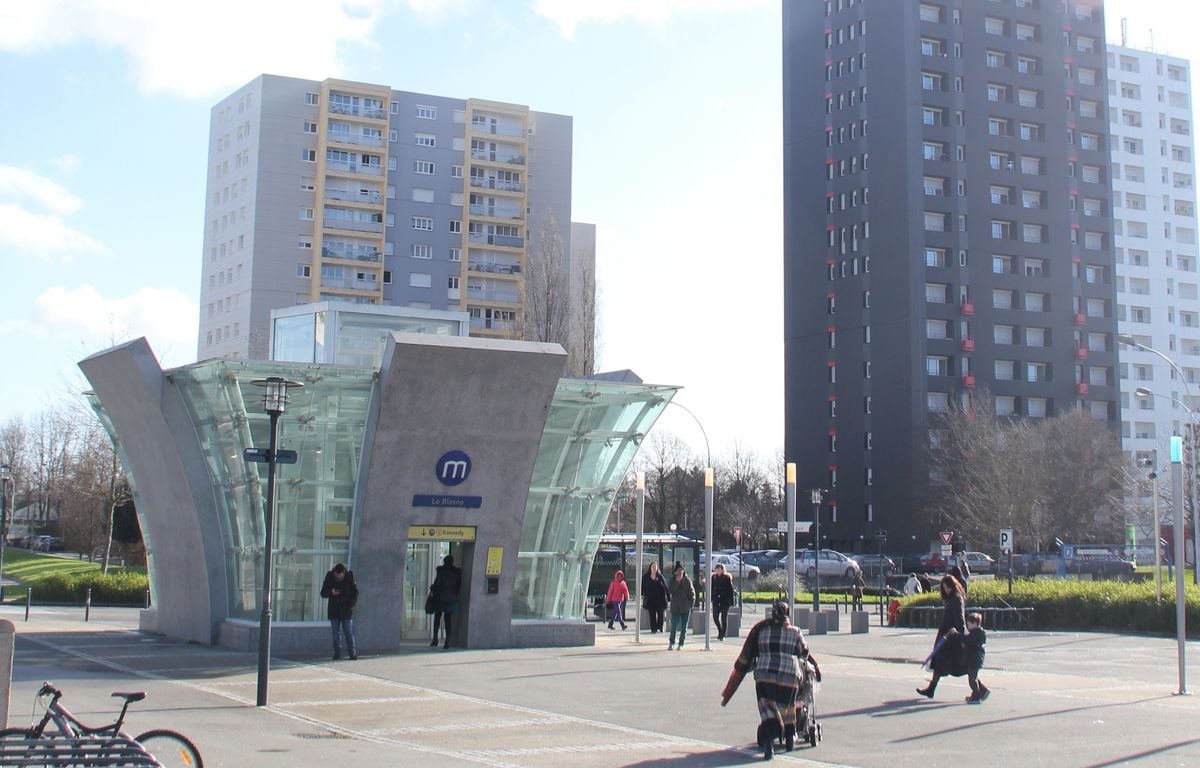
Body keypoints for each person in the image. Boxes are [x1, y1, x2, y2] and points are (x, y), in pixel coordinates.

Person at [720, 599, 818, 759]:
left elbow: (750, 655)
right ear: (788, 614)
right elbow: (804, 653)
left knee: (766, 705)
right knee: (788, 705)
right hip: (789, 675)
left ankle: (769, 738)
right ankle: (789, 732)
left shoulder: (762, 631)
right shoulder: (796, 632)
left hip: (764, 676)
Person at [916, 574, 967, 698]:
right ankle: (931, 689)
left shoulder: (956, 599)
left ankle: (980, 687)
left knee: (962, 665)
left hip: (952, 635)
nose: (946, 590)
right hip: (946, 635)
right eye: (944, 587)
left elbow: (960, 618)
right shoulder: (951, 599)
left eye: (948, 587)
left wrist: (962, 635)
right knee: (941, 663)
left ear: (953, 586)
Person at [320, 563, 358, 660]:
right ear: (334, 573)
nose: (338, 578)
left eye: (340, 576)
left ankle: (352, 653)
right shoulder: (329, 576)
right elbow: (323, 593)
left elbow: (355, 592)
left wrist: (351, 605)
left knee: (348, 632)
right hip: (334, 610)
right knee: (335, 633)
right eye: (336, 576)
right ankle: (337, 653)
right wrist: (331, 592)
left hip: (346, 610)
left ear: (344, 573)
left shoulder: (349, 576)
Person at [430, 553, 462, 650]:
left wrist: (433, 588)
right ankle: (447, 641)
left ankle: (435, 638)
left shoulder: (440, 570)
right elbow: (458, 586)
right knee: (448, 620)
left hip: (440, 596)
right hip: (451, 597)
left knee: (437, 617)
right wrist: (455, 596)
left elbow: (437, 583)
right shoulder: (457, 572)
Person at [667, 561, 695, 650]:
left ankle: (681, 643)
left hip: (685, 606)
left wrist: (690, 605)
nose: (680, 572)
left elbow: (692, 594)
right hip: (675, 606)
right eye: (678, 570)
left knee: (684, 626)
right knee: (674, 625)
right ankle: (671, 642)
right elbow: (671, 591)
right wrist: (677, 582)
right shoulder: (672, 580)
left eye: (681, 570)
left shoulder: (687, 580)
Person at [963, 611, 990, 703]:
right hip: (976, 659)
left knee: (972, 679)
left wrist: (957, 636)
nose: (967, 626)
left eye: (969, 624)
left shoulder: (975, 634)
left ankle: (977, 696)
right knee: (973, 676)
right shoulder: (978, 633)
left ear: (975, 624)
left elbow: (967, 640)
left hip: (974, 659)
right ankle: (981, 691)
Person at [642, 562, 669, 633]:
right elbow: (642, 587)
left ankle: (660, 627)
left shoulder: (660, 577)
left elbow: (666, 587)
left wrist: (668, 597)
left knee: (661, 614)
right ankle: (653, 628)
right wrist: (643, 594)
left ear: (657, 568)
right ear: (650, 568)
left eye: (655, 567)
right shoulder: (646, 577)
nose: (654, 568)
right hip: (650, 599)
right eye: (652, 567)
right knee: (652, 615)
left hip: (660, 599)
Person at [710, 563, 735, 640]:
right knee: (715, 617)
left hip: (724, 601)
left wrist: (730, 602)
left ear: (722, 570)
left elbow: (731, 590)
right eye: (716, 569)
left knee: (723, 618)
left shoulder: (727, 578)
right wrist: (712, 598)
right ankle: (720, 630)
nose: (718, 570)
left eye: (719, 569)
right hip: (716, 601)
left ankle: (722, 635)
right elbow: (711, 588)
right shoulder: (713, 577)